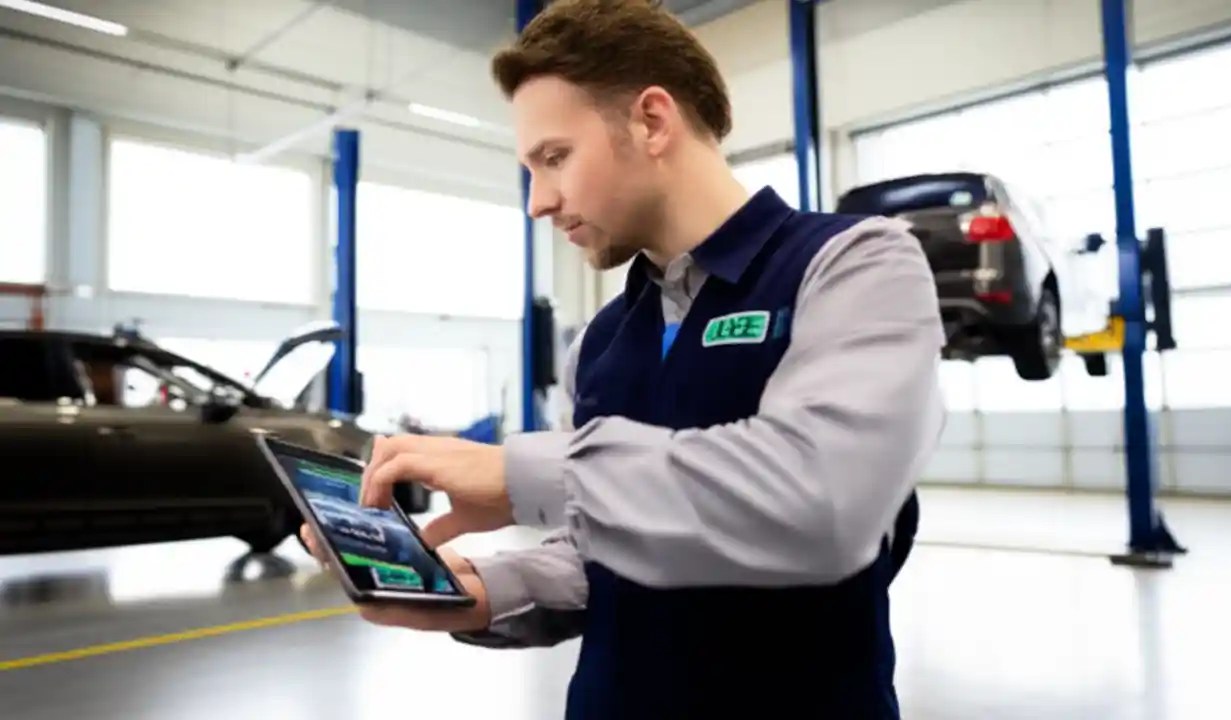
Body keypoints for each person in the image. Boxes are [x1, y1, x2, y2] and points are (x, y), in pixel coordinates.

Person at [301, 0, 945, 717]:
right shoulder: (601, 342)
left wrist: (519, 473)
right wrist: (478, 594)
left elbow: (825, 496)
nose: (538, 202)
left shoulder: (853, 264)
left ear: (651, 120)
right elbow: (603, 554)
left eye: (555, 157)